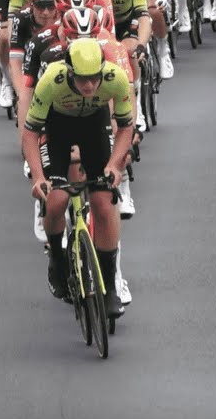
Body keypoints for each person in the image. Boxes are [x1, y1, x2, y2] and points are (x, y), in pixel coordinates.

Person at [23, 38, 134, 318]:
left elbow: (125, 127)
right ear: (69, 71)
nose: (89, 86)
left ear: (102, 70)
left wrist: (114, 166)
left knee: (105, 201)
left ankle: (109, 287)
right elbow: (30, 133)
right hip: (57, 128)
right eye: (82, 79)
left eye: (94, 78)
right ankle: (58, 262)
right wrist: (38, 177)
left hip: (93, 125)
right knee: (57, 199)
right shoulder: (51, 79)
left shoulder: (115, 78)